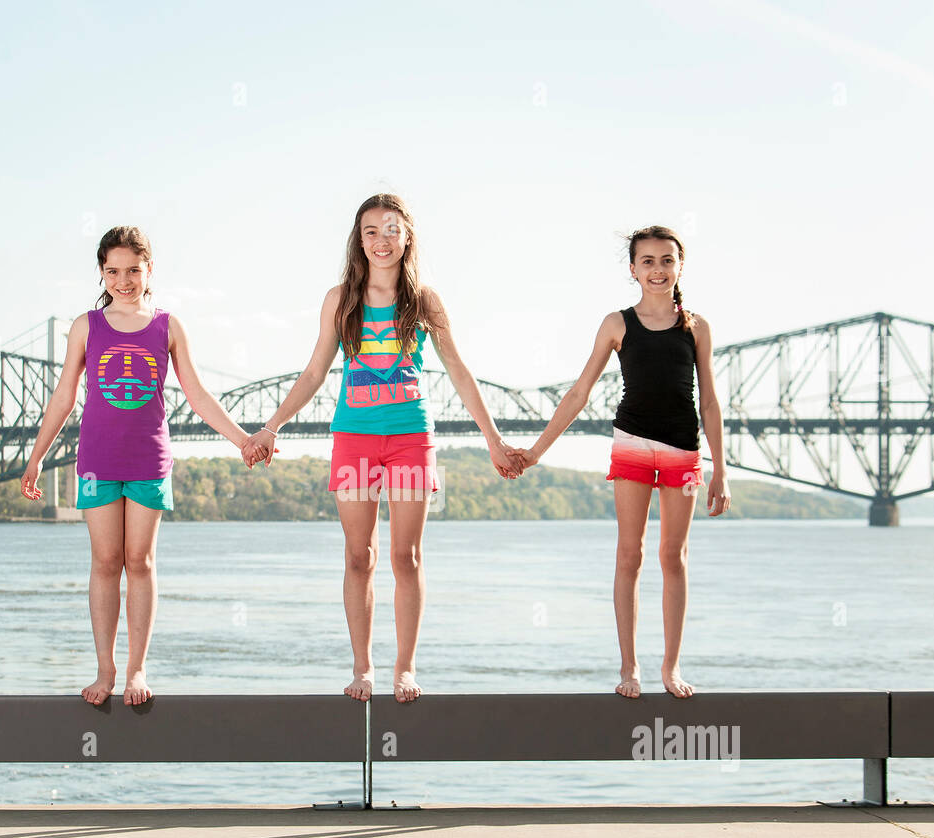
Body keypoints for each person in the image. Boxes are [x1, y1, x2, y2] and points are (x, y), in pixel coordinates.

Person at [241, 193, 523, 702]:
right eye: (370, 231)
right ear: (359, 240)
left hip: (412, 439)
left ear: (407, 236)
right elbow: (313, 372)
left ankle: (406, 669)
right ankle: (363, 668)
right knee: (357, 556)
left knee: (407, 557)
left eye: (391, 229)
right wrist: (271, 427)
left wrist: (493, 439)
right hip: (353, 440)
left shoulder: (425, 300)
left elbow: (458, 370)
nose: (381, 240)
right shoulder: (340, 299)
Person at [21, 225, 257, 706]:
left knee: (141, 562)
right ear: (102, 273)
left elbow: (197, 394)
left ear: (150, 269)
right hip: (97, 459)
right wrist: (37, 456)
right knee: (106, 562)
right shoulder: (86, 326)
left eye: (133, 270)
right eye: (113, 271)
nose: (123, 280)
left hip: (150, 458)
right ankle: (105, 670)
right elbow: (64, 396)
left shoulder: (168, 326)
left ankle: (137, 670)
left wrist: (242, 440)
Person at [507, 225, 730, 698]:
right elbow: (579, 392)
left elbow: (709, 401)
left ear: (680, 266)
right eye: (647, 261)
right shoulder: (616, 323)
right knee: (630, 554)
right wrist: (536, 452)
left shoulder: (697, 327)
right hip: (631, 444)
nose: (657, 269)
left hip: (683, 450)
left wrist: (721, 472)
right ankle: (630, 668)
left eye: (666, 260)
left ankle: (671, 667)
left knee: (675, 557)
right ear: (632, 269)